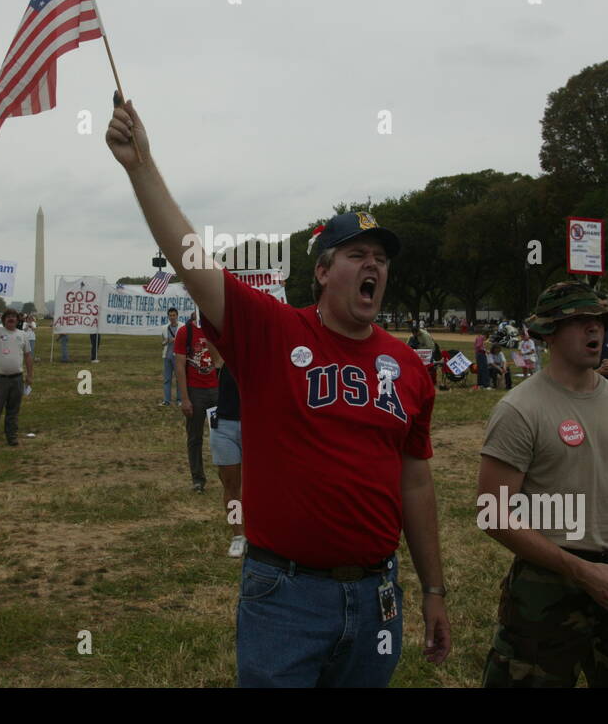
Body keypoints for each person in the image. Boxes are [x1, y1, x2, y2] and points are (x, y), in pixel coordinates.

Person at [106, 96, 449, 687]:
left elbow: (415, 480)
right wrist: (142, 167)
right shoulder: (273, 331)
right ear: (322, 271)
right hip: (285, 593)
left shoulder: (407, 367)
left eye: (382, 259)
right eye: (357, 255)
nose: (375, 266)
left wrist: (434, 589)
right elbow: (194, 263)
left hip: (378, 595)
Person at [479, 281, 608, 688]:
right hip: (547, 580)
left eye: (599, 321)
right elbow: (494, 514)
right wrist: (579, 570)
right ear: (547, 332)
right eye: (579, 322)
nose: (594, 331)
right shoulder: (520, 409)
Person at [0, 293, 34, 447]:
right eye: (8, 317)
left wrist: (30, 375)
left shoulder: (22, 335)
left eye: (14, 317)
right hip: (0, 379)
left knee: (13, 411)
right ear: (3, 320)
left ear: (17, 320)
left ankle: (12, 436)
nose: (11, 319)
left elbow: (28, 356)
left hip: (17, 379)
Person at [175, 311, 219, 492]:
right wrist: (185, 398)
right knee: (195, 437)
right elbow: (179, 366)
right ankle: (198, 479)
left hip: (217, 391)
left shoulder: (216, 330)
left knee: (221, 435)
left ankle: (227, 476)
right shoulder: (185, 332)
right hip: (196, 392)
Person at [210, 356, 246, 558]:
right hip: (224, 426)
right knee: (232, 486)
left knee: (262, 486)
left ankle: (262, 533)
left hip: (256, 423)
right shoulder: (222, 356)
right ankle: (238, 535)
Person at [160, 307, 183, 406]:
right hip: (167, 356)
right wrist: (166, 341)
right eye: (170, 315)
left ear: (177, 316)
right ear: (168, 317)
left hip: (178, 357)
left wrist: (176, 340)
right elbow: (162, 342)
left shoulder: (182, 327)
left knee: (179, 379)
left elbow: (185, 342)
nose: (172, 317)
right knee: (167, 379)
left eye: (174, 315)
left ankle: (180, 400)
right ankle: (167, 400)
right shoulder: (164, 328)